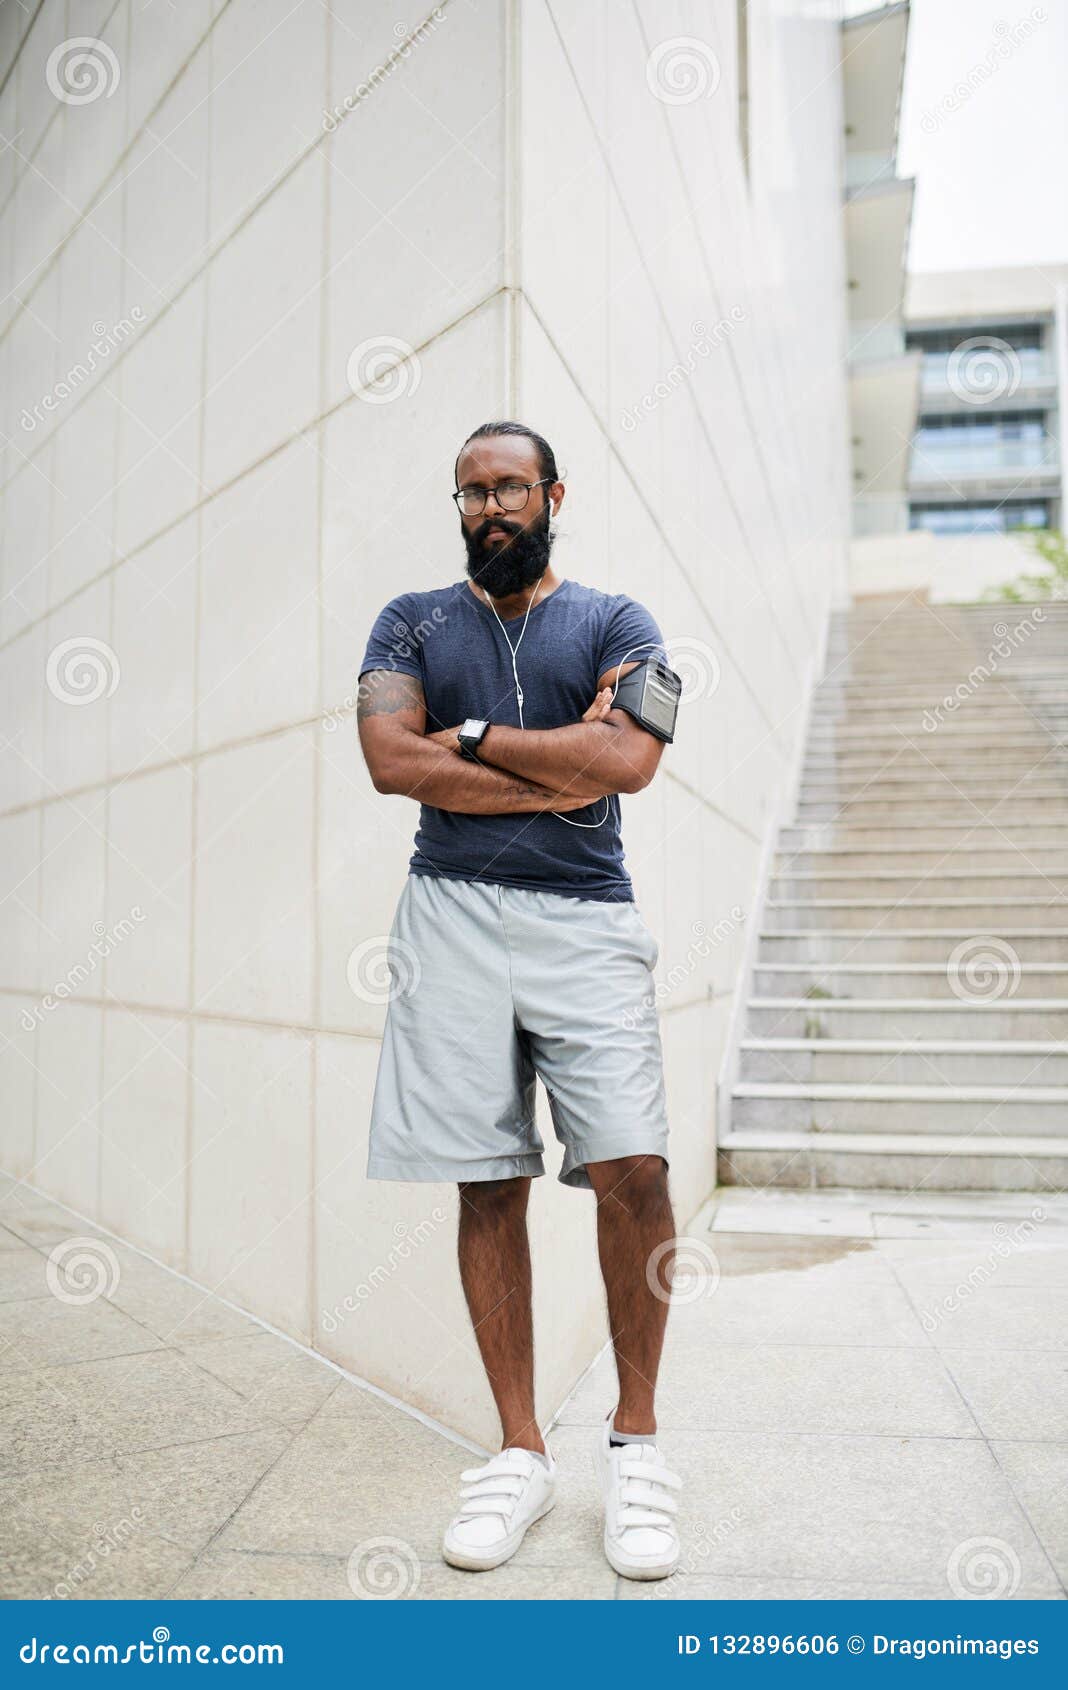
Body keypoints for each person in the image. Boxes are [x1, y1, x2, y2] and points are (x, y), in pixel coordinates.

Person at [356, 420, 682, 1581]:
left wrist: (484, 739)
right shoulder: (410, 621)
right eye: (470, 493)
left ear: (553, 493)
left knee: (632, 1164)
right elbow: (393, 761)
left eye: (509, 488)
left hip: (587, 921)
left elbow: (630, 764)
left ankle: (636, 1445)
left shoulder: (619, 622)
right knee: (485, 1178)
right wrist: (556, 764)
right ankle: (520, 1450)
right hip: (447, 917)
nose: (490, 508)